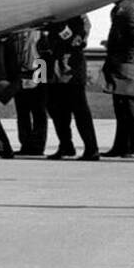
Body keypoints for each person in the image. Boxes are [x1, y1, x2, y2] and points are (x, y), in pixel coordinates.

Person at [38, 16, 99, 160]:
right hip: (54, 69)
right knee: (56, 111)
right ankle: (66, 146)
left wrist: (58, 26)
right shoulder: (53, 19)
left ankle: (91, 148)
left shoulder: (79, 19)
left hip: (71, 70)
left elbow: (74, 41)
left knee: (79, 111)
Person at [102, 0, 134, 158]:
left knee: (133, 109)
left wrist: (126, 57)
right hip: (123, 69)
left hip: (129, 70)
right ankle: (122, 146)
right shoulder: (121, 11)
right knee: (122, 109)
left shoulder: (130, 12)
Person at [5, 27, 48, 154]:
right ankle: (26, 144)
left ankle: (38, 146)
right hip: (19, 73)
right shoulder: (15, 31)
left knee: (38, 111)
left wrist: (41, 75)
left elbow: (44, 53)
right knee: (22, 112)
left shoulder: (38, 31)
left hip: (37, 70)